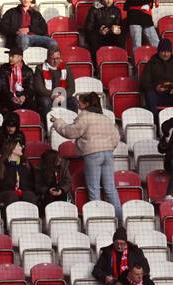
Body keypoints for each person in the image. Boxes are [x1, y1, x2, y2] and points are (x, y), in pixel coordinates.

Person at [51, 93, 123, 222]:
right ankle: (119, 221)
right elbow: (116, 137)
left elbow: (70, 132)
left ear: (86, 104)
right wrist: (108, 147)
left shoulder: (84, 117)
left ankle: (98, 221)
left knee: (94, 190)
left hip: (93, 155)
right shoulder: (105, 118)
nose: (78, 105)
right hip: (108, 154)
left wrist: (57, 122)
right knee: (110, 189)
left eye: (80, 103)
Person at [141, 40, 173, 115]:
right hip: (158, 96)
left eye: (168, 52)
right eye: (163, 52)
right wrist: (156, 87)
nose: (165, 54)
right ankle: (155, 120)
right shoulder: (151, 64)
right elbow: (144, 82)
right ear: (158, 51)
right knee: (149, 93)